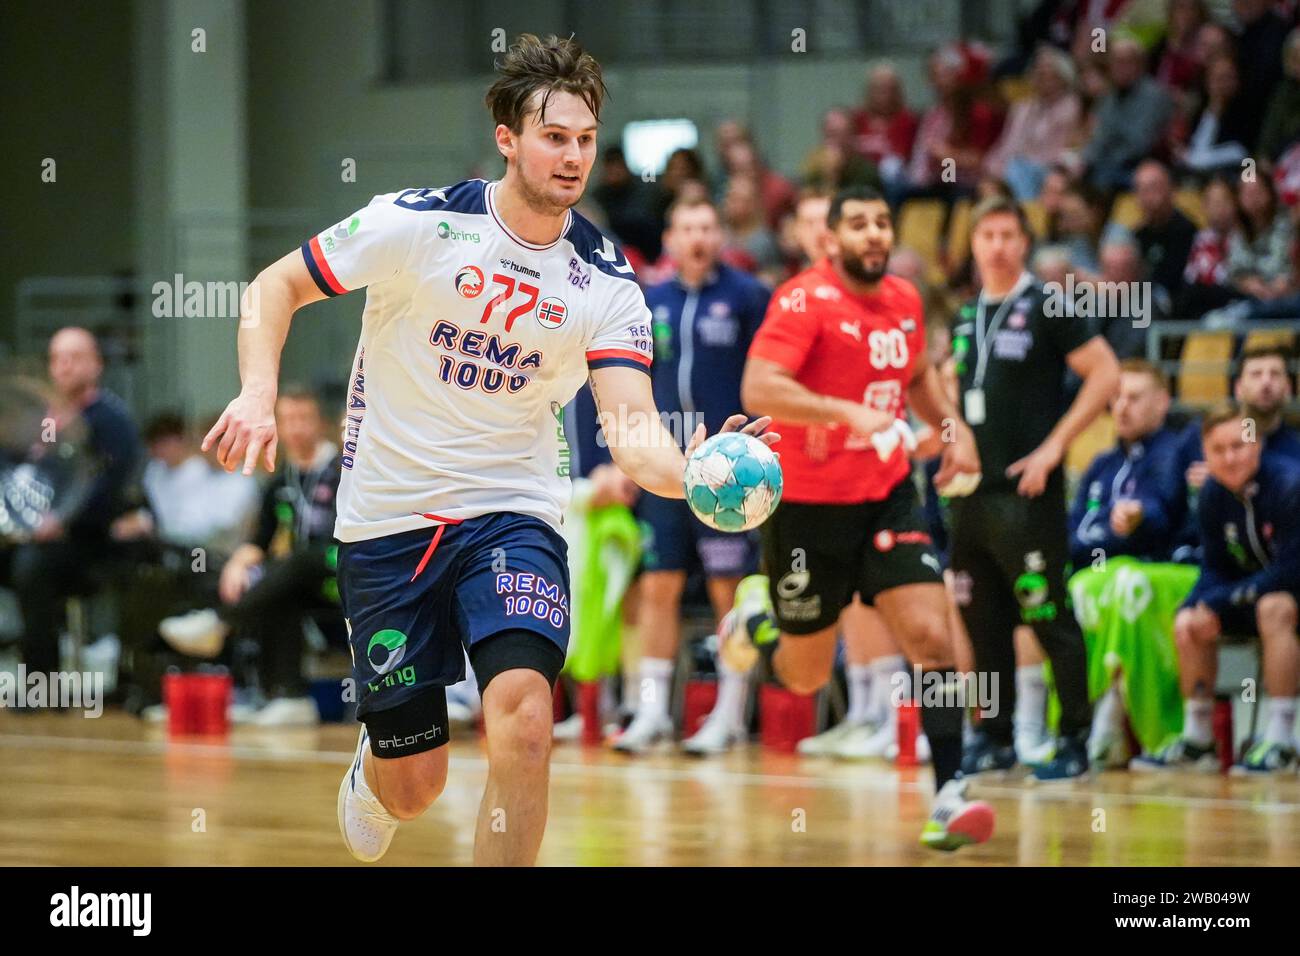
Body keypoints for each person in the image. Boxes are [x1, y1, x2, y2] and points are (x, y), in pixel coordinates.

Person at [201, 34, 775, 867]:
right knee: (417, 785)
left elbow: (631, 428)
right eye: (554, 137)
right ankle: (379, 767)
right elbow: (275, 285)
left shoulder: (607, 282)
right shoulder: (419, 222)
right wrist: (257, 391)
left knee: (527, 723)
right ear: (507, 137)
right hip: (386, 519)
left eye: (585, 140)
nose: (573, 156)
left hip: (512, 512)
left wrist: (694, 469)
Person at [728, 185, 996, 851]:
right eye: (859, 224)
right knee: (806, 675)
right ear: (833, 240)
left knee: (933, 639)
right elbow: (759, 388)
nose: (874, 234)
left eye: (882, 223)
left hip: (887, 497)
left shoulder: (905, 300)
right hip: (806, 513)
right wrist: (850, 414)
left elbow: (915, 378)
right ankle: (757, 623)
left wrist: (953, 430)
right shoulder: (802, 299)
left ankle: (950, 793)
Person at [948, 196, 1120, 781]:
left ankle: (1073, 735)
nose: (996, 245)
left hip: (1026, 492)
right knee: (983, 622)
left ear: (1023, 242)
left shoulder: (1050, 305)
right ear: (973, 245)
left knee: (1047, 614)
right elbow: (949, 392)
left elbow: (1106, 373)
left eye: (1006, 235)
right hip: (970, 495)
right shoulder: (965, 314)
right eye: (986, 235)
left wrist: (1054, 447)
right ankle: (994, 736)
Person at [613, 195, 770, 755]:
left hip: (729, 468)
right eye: (687, 227)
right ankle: (653, 712)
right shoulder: (647, 302)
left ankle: (728, 714)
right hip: (664, 467)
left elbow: (767, 377)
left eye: (707, 226)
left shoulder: (748, 297)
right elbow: (625, 387)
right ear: (671, 239)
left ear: (720, 234)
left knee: (729, 589)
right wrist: (627, 455)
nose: (698, 237)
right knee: (659, 585)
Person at [158, 387, 344, 726]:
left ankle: (219, 622)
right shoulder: (280, 481)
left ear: (321, 423)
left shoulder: (344, 470)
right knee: (272, 579)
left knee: (296, 562)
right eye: (289, 420)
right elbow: (259, 539)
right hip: (301, 577)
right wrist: (239, 562)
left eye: (305, 419)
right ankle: (288, 696)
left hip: (343, 570)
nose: (297, 428)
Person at [1133, 401, 1300, 774]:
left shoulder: (1290, 485)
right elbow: (1213, 566)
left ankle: (1282, 739)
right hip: (1251, 595)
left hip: (1287, 594)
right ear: (1205, 454)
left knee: (1274, 607)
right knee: (1187, 622)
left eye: (1238, 447)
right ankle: (1199, 741)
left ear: (1257, 444)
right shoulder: (1212, 494)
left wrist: (1220, 602)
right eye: (1218, 450)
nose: (1229, 458)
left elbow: (1291, 571)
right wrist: (1199, 606)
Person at [1067, 361, 1197, 767]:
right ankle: (1066, 722)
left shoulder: (1176, 451)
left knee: (1126, 584)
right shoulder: (1101, 465)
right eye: (1117, 397)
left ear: (1163, 402)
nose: (1122, 407)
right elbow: (1073, 531)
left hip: (1169, 569)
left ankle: (1151, 730)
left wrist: (1138, 521)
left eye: (1135, 397)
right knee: (1073, 590)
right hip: (1108, 568)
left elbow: (1163, 515)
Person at [4, 327, 141, 678]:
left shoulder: (111, 419)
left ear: (95, 365)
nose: (64, 367)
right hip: (41, 537)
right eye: (57, 359)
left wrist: (63, 521)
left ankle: (41, 680)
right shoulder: (42, 422)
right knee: (26, 559)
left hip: (94, 541)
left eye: (74, 358)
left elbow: (111, 488)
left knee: (32, 567)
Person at [1079, 38, 1173, 192]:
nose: (1118, 68)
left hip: (1140, 168)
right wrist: (1085, 160)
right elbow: (1098, 136)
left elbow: (1139, 144)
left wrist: (1102, 158)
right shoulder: (1108, 96)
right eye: (1114, 62)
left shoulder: (1154, 96)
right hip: (1107, 165)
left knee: (1101, 178)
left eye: (1125, 62)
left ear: (1140, 65)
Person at [1132, 159, 1198, 301]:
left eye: (1152, 188)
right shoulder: (1138, 234)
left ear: (1171, 189)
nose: (1146, 197)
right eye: (1141, 190)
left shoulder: (1187, 231)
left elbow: (1175, 281)